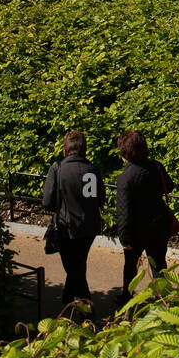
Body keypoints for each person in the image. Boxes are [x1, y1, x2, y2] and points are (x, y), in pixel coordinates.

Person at [41, 131, 103, 310]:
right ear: (84, 150)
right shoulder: (93, 169)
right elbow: (99, 199)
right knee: (78, 263)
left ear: (64, 150)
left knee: (74, 269)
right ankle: (67, 298)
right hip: (90, 227)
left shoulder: (57, 169)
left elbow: (47, 202)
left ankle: (86, 308)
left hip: (67, 227)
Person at [115, 130, 173, 307]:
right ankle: (163, 300)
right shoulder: (156, 166)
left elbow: (124, 213)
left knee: (131, 265)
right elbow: (169, 187)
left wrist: (124, 237)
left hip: (136, 229)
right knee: (159, 264)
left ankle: (127, 295)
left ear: (124, 153)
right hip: (158, 224)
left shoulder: (125, 177)